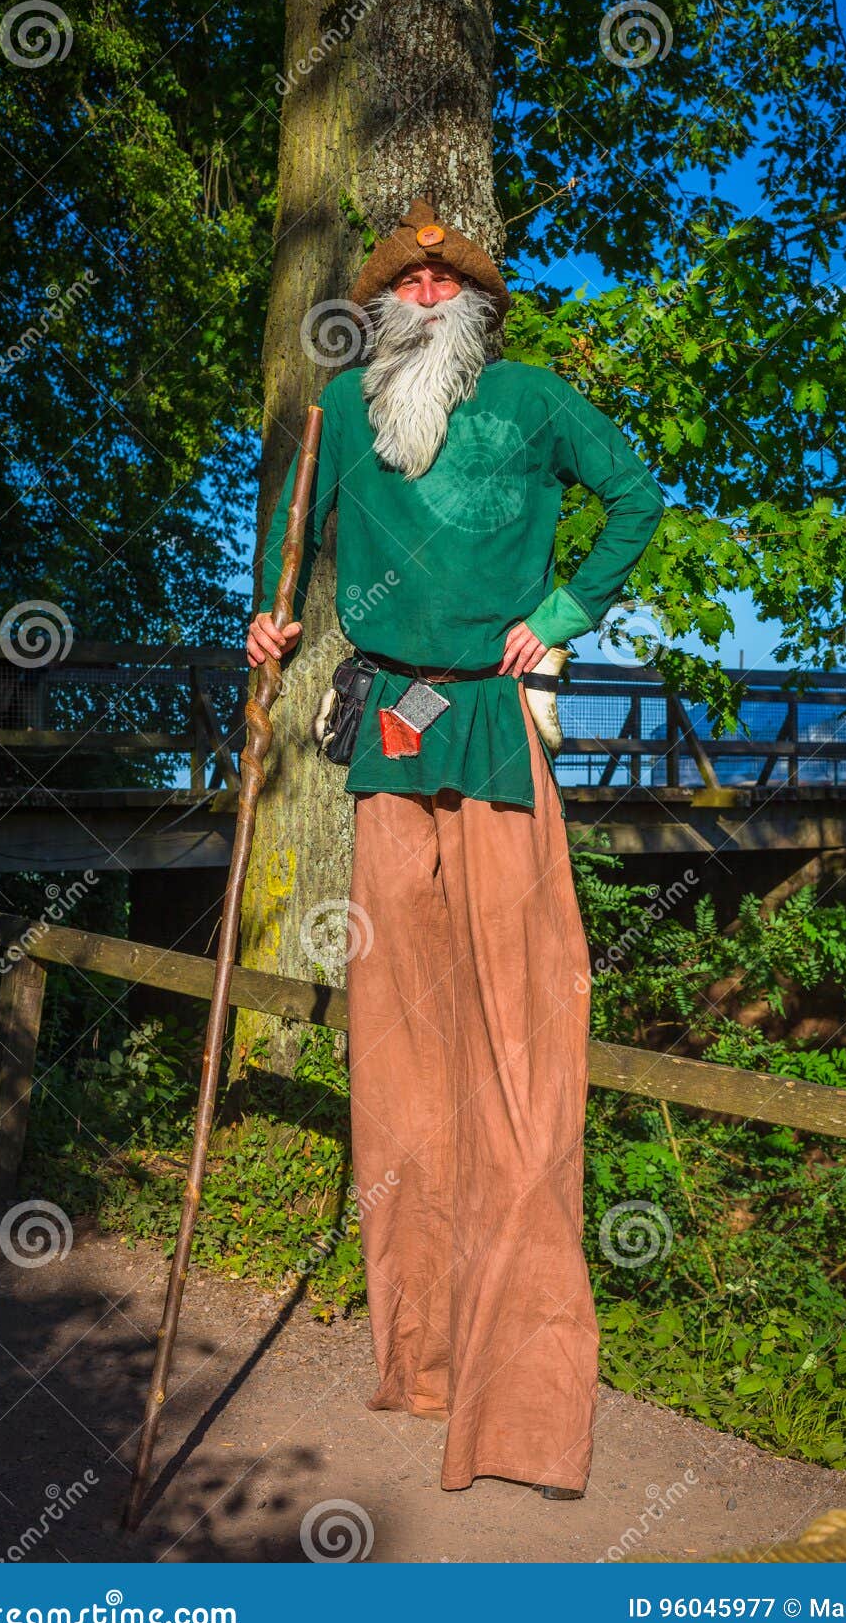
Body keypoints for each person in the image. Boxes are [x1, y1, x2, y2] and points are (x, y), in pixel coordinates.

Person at [247, 197, 665, 1498]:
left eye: (448, 281)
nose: (426, 293)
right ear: (381, 305)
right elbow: (292, 549)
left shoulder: (533, 401)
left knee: (523, 1031)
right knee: (401, 1036)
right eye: (407, 282)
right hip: (392, 726)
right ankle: (421, 1360)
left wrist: (565, 609)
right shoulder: (343, 414)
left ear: (479, 305)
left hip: (491, 723)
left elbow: (639, 495)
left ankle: (518, 1397)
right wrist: (270, 621)